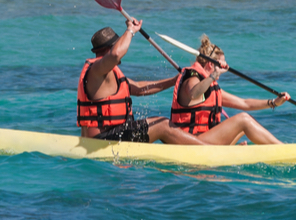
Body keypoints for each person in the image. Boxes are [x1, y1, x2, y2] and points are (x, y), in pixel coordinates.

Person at [78, 18, 203, 146]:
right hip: (102, 140)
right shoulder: (97, 70)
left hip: (116, 134)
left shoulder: (110, 72)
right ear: (109, 49)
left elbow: (139, 88)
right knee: (162, 125)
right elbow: (116, 54)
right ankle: (205, 150)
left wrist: (174, 81)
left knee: (159, 123)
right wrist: (131, 30)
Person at [170, 35, 291, 145]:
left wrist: (273, 102)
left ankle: (230, 150)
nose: (222, 72)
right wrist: (213, 76)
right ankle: (282, 148)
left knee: (246, 126)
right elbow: (193, 94)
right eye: (221, 65)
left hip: (202, 140)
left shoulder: (211, 89)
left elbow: (245, 103)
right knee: (243, 120)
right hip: (189, 141)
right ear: (211, 65)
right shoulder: (192, 78)